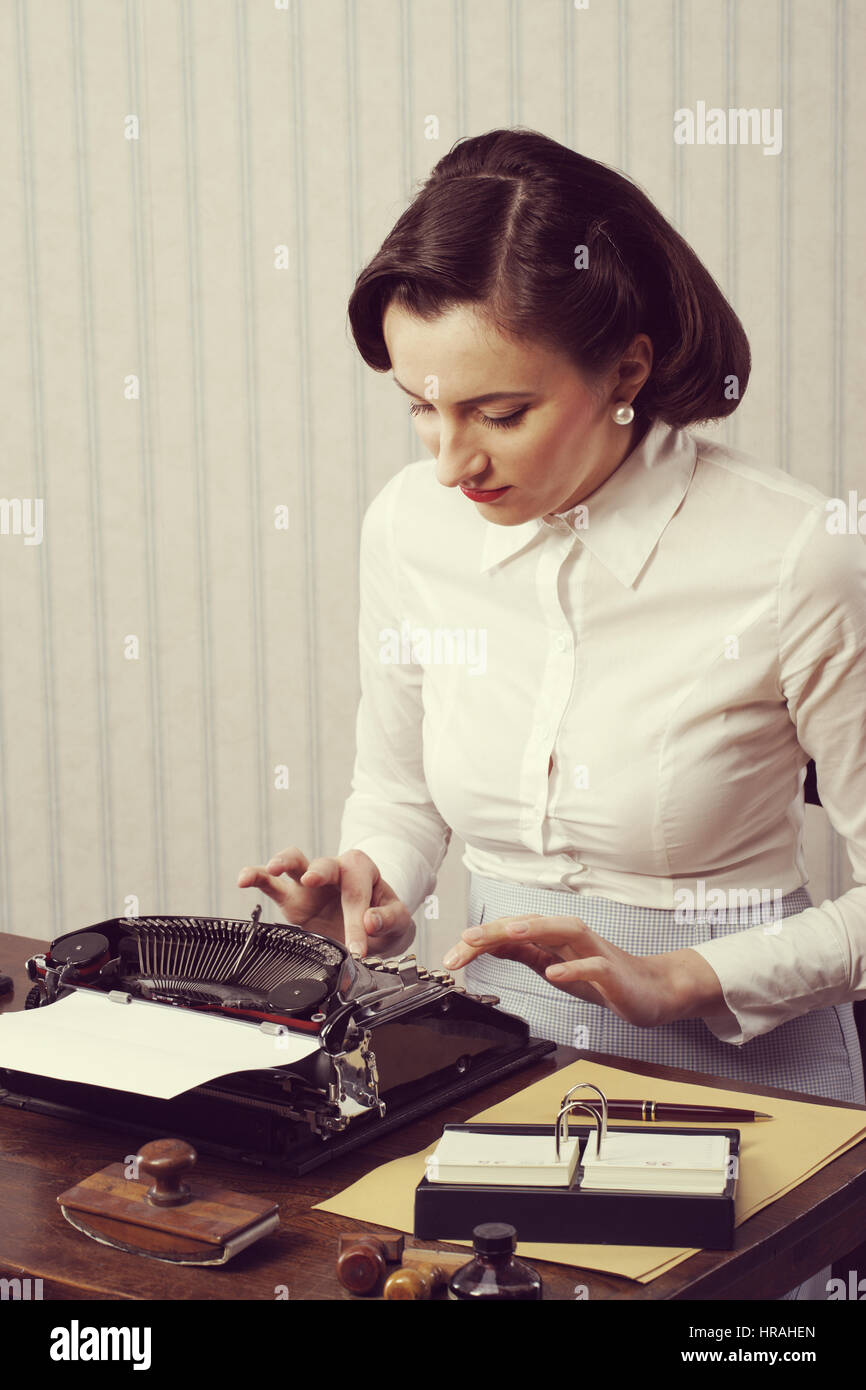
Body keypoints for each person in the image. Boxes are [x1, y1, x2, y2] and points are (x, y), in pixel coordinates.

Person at [238, 129, 866, 1300]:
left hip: (757, 1092)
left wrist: (679, 978)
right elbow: (403, 784)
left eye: (497, 412)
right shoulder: (408, 529)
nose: (447, 461)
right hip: (498, 1079)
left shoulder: (798, 554)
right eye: (417, 407)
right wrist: (372, 882)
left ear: (626, 371)